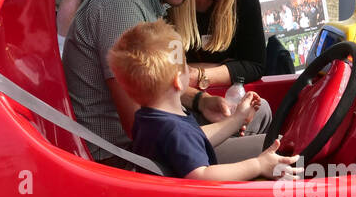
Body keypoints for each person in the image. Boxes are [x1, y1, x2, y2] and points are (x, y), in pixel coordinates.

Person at [64, 0, 269, 169]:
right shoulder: (122, 6)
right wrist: (252, 159)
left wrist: (199, 99)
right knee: (276, 158)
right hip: (123, 163)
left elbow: (152, 90)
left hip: (142, 148)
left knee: (260, 113)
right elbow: (143, 130)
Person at [111, 21, 295, 181]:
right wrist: (258, 165)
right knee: (286, 149)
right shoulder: (174, 130)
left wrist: (236, 119)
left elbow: (193, 138)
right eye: (185, 65)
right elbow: (201, 175)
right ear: (177, 79)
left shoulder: (149, 118)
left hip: (176, 195)